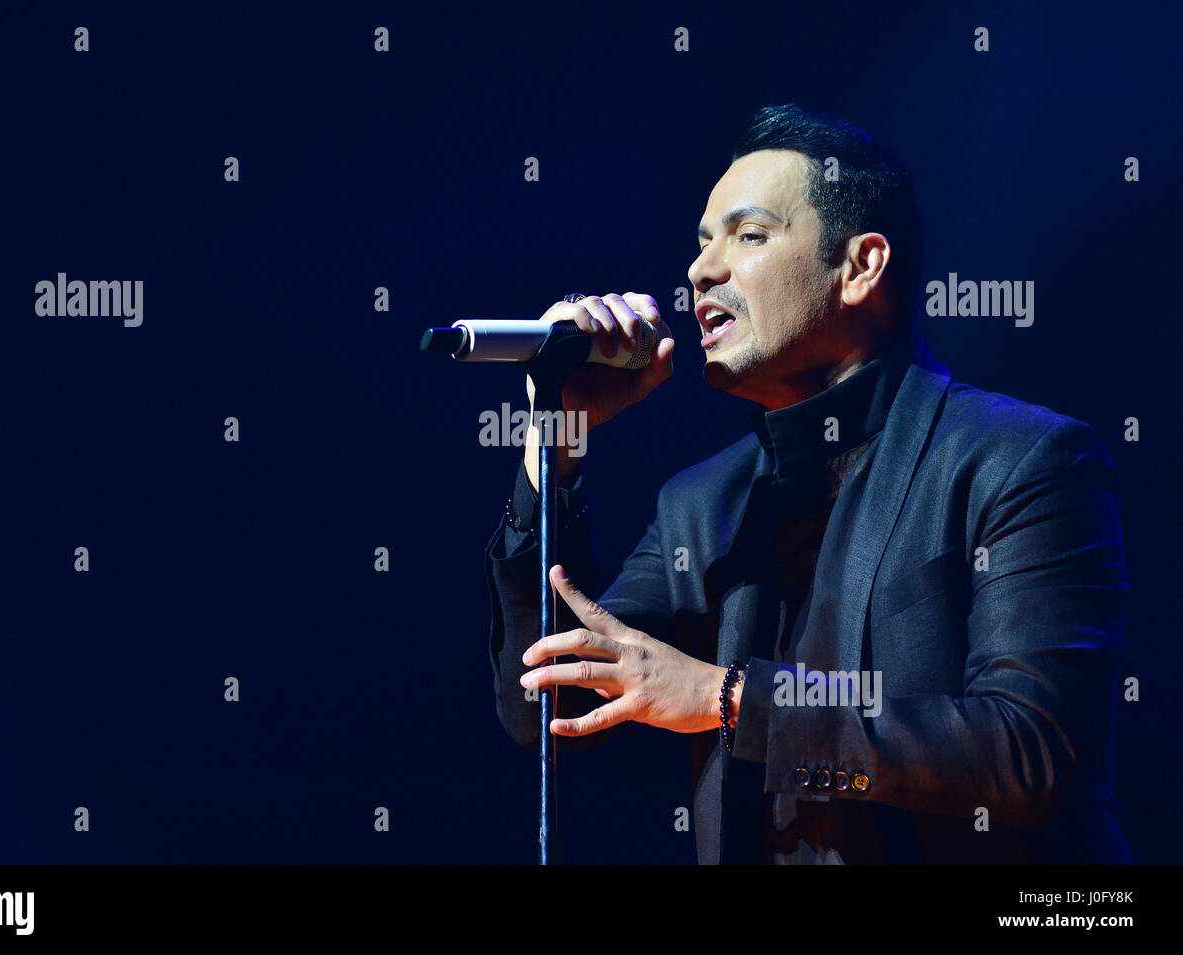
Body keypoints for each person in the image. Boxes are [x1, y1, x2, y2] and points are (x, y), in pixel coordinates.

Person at [484, 104, 1131, 864]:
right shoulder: (700, 504)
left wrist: (730, 699)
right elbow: (546, 704)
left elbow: (1031, 753)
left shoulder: (1021, 459)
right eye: (701, 244)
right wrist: (555, 433)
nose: (701, 270)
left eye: (748, 235)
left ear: (861, 266)